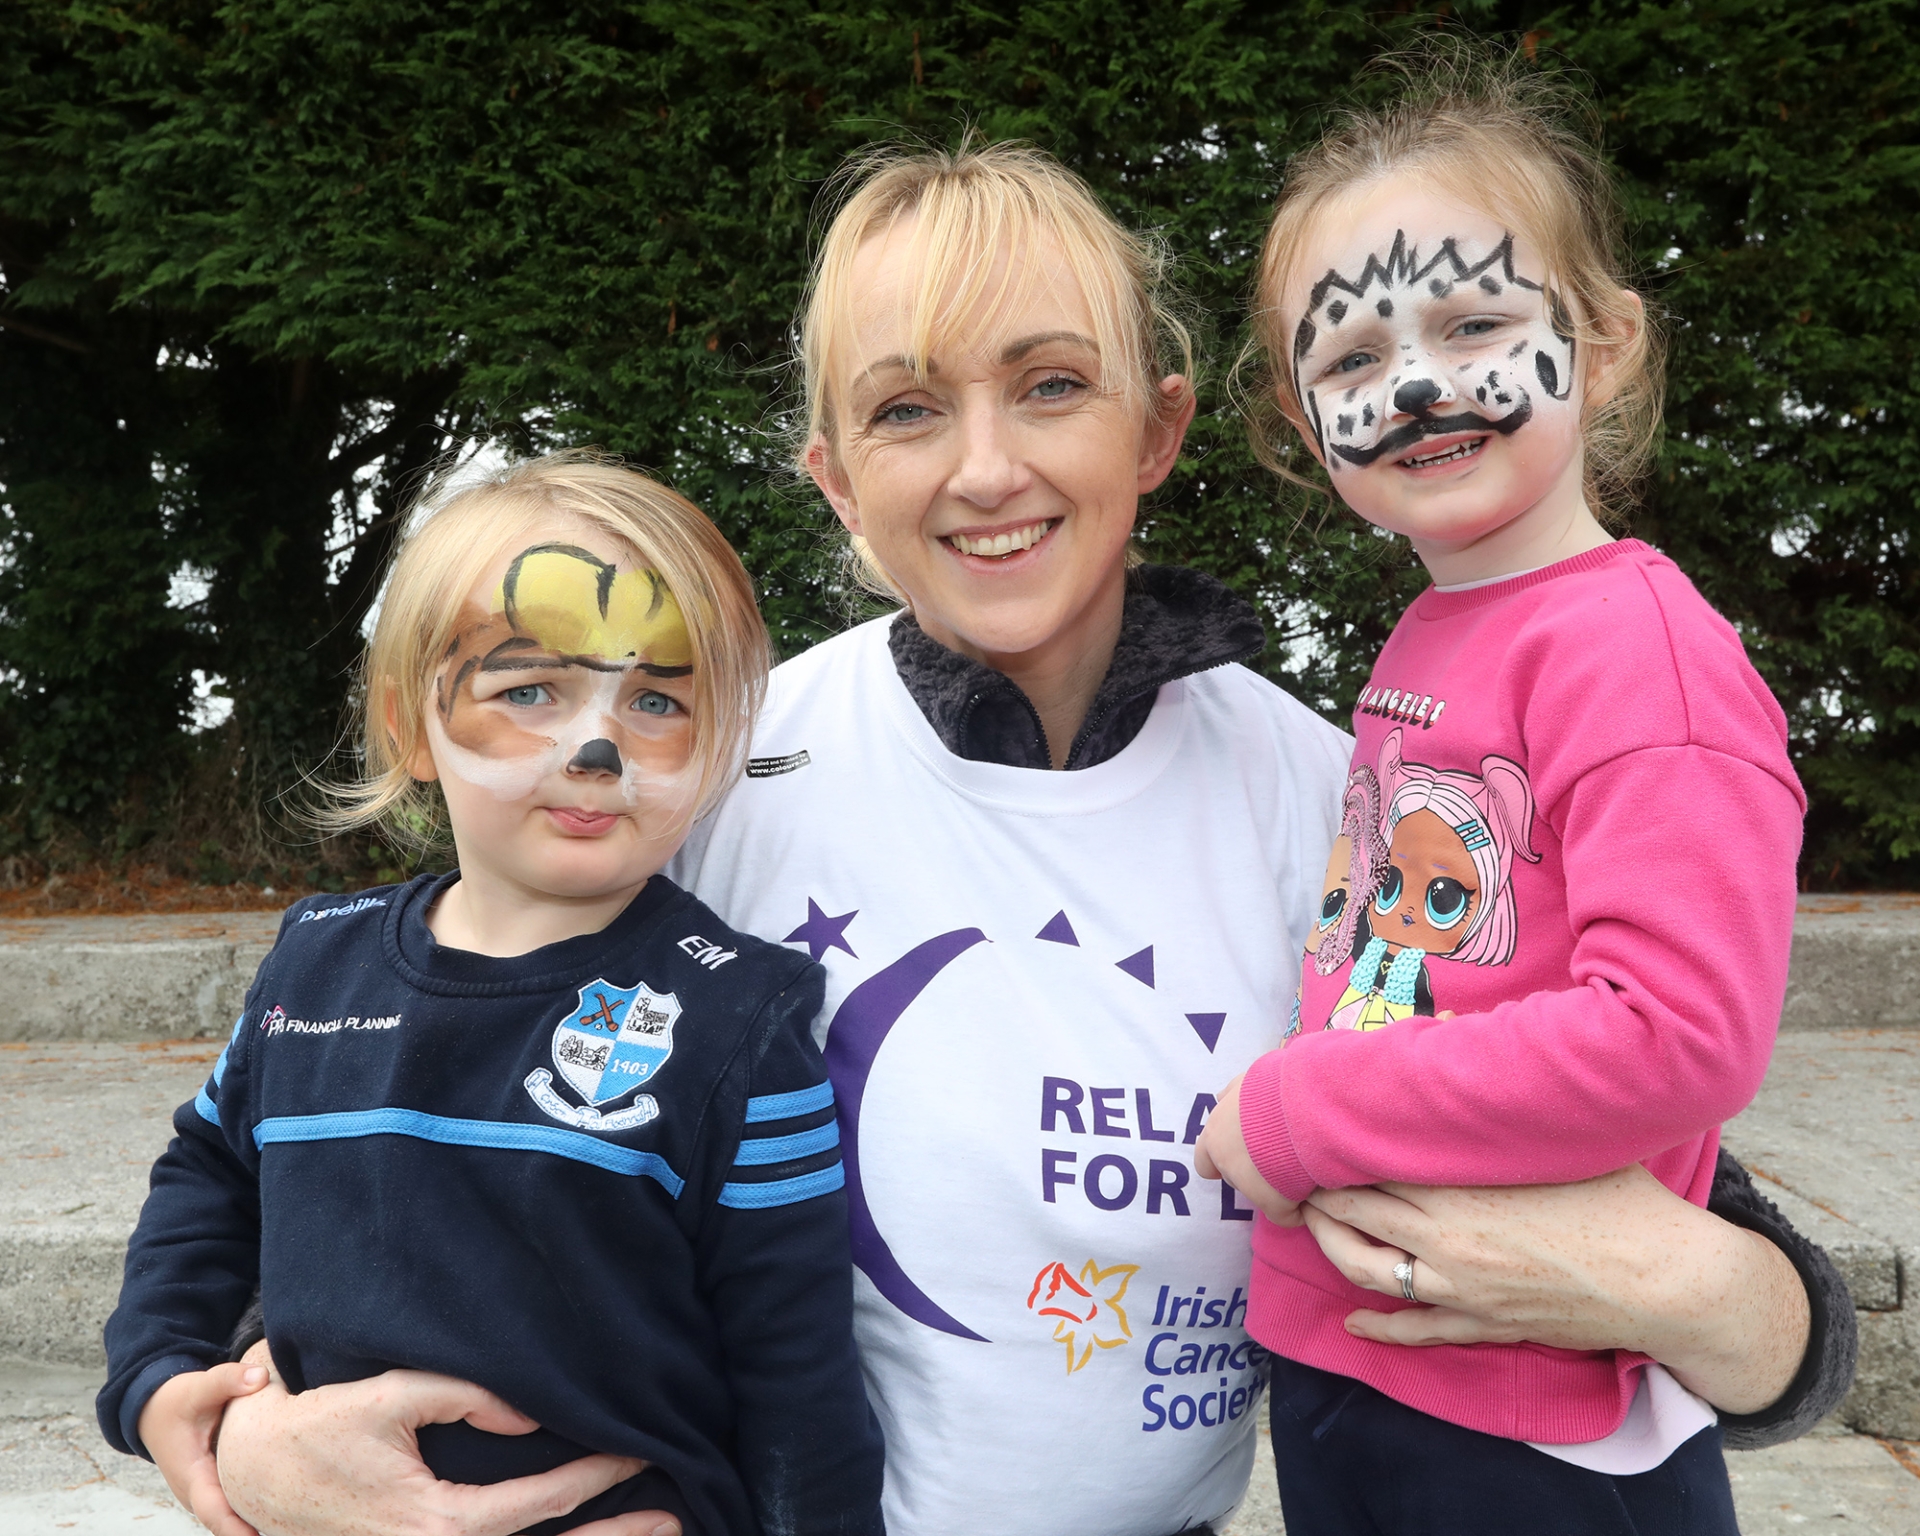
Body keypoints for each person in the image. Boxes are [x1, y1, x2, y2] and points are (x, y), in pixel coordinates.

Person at [143, 141, 1852, 1536]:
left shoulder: (1325, 783)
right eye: (903, 411)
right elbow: (385, 1094)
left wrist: (1753, 1315)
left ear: (1160, 428)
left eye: (1049, 386)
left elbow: (1626, 1155)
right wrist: (219, 1422)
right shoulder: (718, 765)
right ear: (830, 476)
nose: (983, 470)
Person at [1192, 55, 1805, 1533]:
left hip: (1524, 1427)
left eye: (1473, 322)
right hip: (1377, 1374)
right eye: (1349, 360)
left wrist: (1296, 1111)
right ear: (1299, 412)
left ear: (1601, 343)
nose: (1411, 384)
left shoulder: (1638, 652)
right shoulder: (1444, 623)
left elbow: (1676, 1035)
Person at [96, 455, 885, 1536]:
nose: (597, 749)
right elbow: (209, 1175)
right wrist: (156, 1376)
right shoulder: (311, 966)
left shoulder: (743, 1020)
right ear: (410, 727)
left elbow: (797, 1376)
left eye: (657, 699)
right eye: (528, 691)